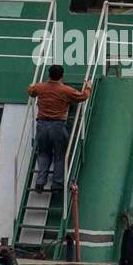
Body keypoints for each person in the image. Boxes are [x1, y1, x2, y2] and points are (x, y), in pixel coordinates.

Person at [27, 64, 90, 192]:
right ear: (62, 76)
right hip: (57, 125)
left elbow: (31, 91)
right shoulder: (66, 90)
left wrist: (31, 86)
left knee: (43, 154)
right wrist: (88, 86)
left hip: (42, 125)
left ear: (48, 75)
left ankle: (40, 181)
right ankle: (57, 184)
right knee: (60, 155)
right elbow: (83, 96)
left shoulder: (40, 87)